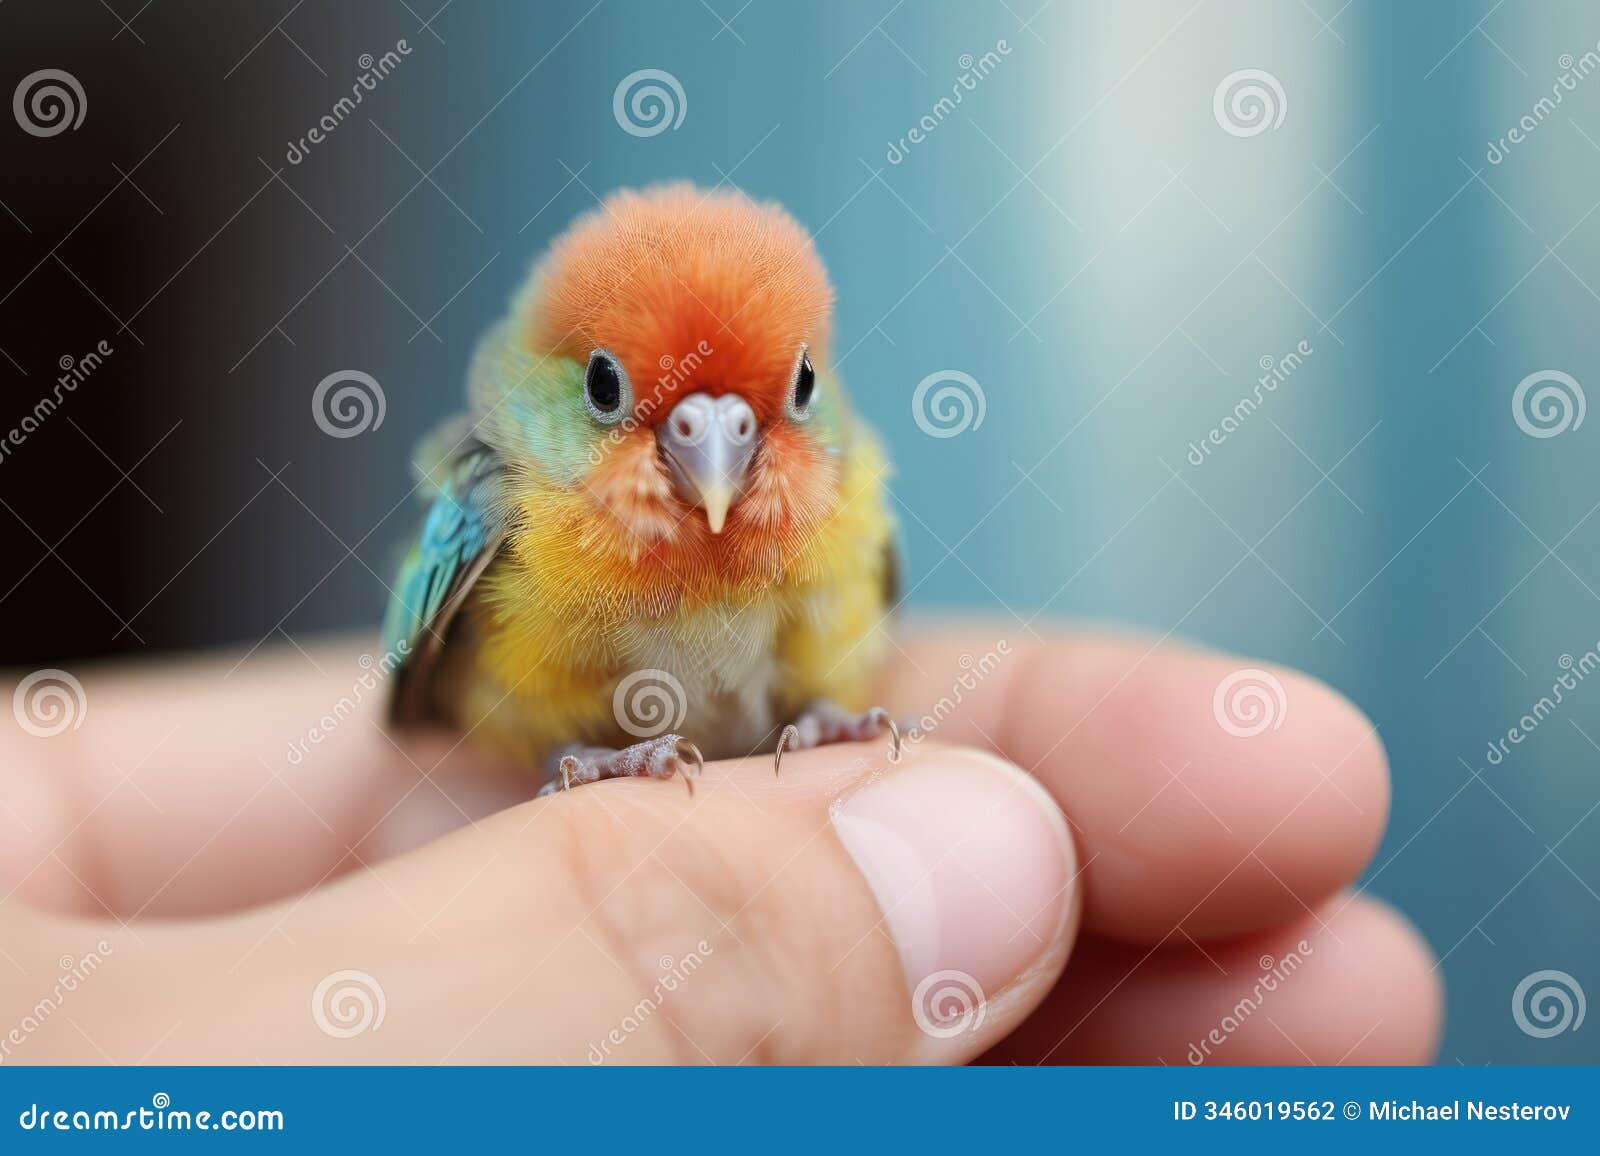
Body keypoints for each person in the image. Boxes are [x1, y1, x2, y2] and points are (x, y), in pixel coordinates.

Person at [0, 622, 1439, 1064]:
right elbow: (437, 713)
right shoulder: (523, 501)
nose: (714, 450)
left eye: (776, 404)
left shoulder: (831, 504)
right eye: (635, 402)